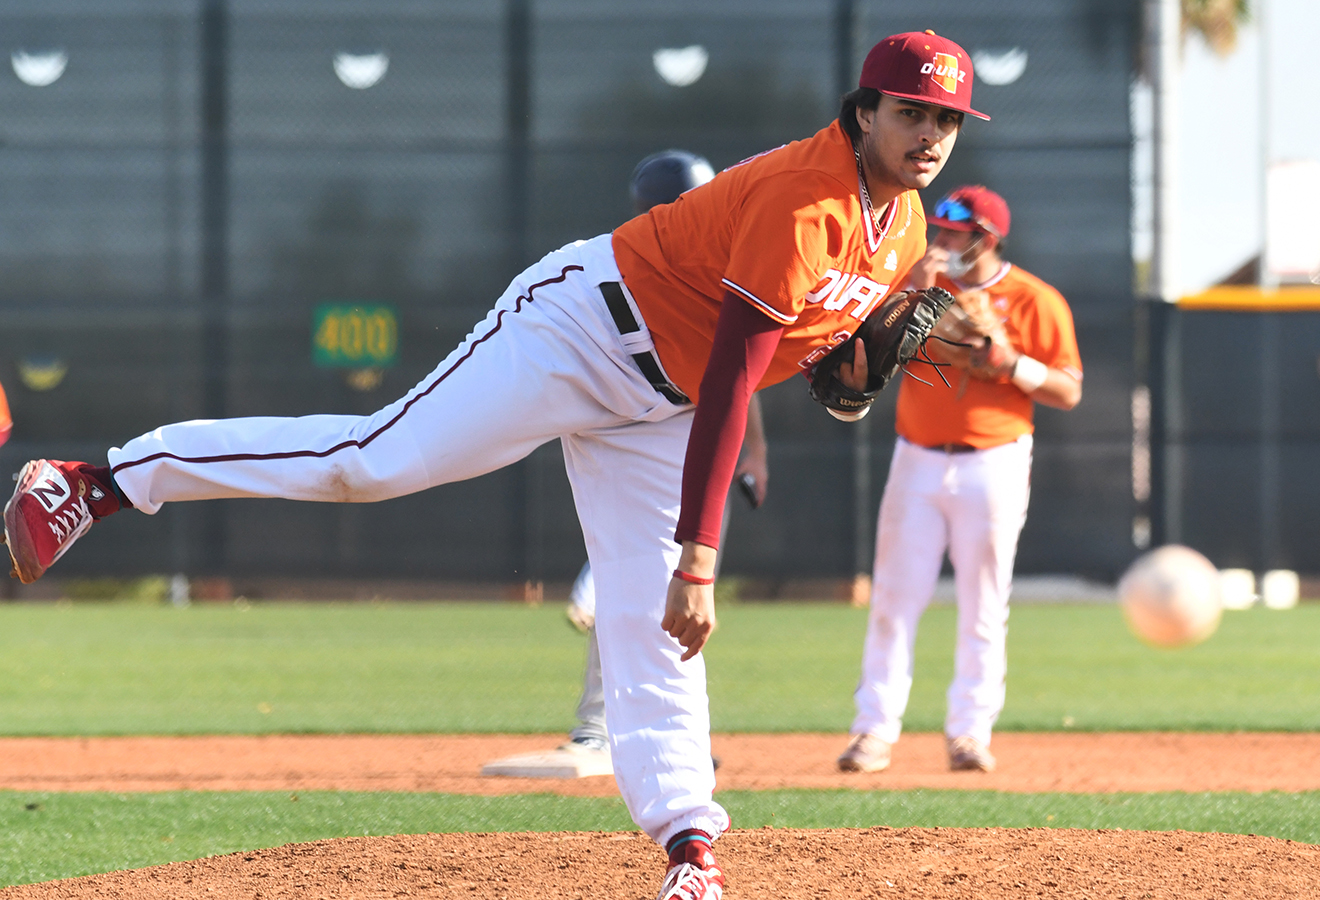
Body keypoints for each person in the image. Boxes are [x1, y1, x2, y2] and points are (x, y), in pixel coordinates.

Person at [4, 30, 985, 900]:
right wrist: (700, 554)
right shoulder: (801, 199)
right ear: (862, 112)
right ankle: (100, 481)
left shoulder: (898, 229)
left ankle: (691, 848)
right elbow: (734, 377)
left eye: (946, 118)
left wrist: (864, 360)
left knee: (656, 630)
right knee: (374, 462)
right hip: (582, 330)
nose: (930, 134)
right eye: (911, 111)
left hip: (657, 405)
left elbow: (820, 371)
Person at [836, 185, 1082, 775]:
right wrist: (913, 284)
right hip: (916, 454)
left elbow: (1069, 389)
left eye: (954, 232)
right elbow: (867, 335)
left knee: (983, 602)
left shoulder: (1033, 299)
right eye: (939, 228)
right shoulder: (922, 285)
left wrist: (1010, 363)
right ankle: (873, 731)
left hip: (993, 458)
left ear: (986, 240)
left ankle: (969, 735)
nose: (942, 240)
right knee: (894, 597)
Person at [557, 152, 770, 764]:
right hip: (645, 441)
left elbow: (740, 379)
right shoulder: (624, 269)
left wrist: (754, 451)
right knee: (634, 585)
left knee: (688, 600)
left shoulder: (729, 270)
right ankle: (599, 726)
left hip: (705, 453)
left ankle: (675, 737)